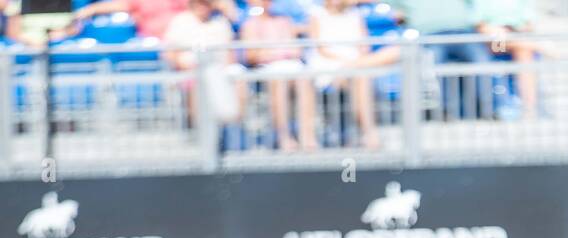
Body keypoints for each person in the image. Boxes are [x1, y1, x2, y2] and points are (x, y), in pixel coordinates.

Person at [307, 0, 399, 150]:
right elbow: (321, 49)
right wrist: (347, 61)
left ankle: (367, 133)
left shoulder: (355, 14)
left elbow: (364, 45)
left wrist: (354, 61)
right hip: (329, 64)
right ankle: (369, 133)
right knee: (360, 76)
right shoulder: (316, 14)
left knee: (362, 74)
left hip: (355, 64)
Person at [389, 0, 493, 118]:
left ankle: (488, 110)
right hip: (429, 34)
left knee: (482, 61)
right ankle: (444, 112)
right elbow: (389, 10)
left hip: (464, 32)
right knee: (434, 68)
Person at [241, 0, 313, 151]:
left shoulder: (284, 21)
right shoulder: (250, 25)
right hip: (267, 68)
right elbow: (252, 56)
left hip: (290, 65)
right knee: (280, 82)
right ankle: (284, 136)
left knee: (304, 81)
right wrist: (278, 53)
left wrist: (274, 52)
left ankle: (307, 136)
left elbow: (296, 50)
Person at [162, 0, 245, 125]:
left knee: (238, 74)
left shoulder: (220, 22)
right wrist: (183, 64)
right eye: (200, 3)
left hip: (218, 70)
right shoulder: (180, 21)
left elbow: (229, 54)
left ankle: (234, 125)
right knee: (198, 79)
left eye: (206, 3)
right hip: (191, 70)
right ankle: (201, 129)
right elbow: (169, 53)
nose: (203, 7)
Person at [478, 0, 538, 119]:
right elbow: (480, 25)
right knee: (516, 45)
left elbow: (529, 24)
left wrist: (517, 29)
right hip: (493, 40)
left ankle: (529, 107)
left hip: (515, 36)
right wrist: (497, 30)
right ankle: (541, 47)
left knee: (524, 53)